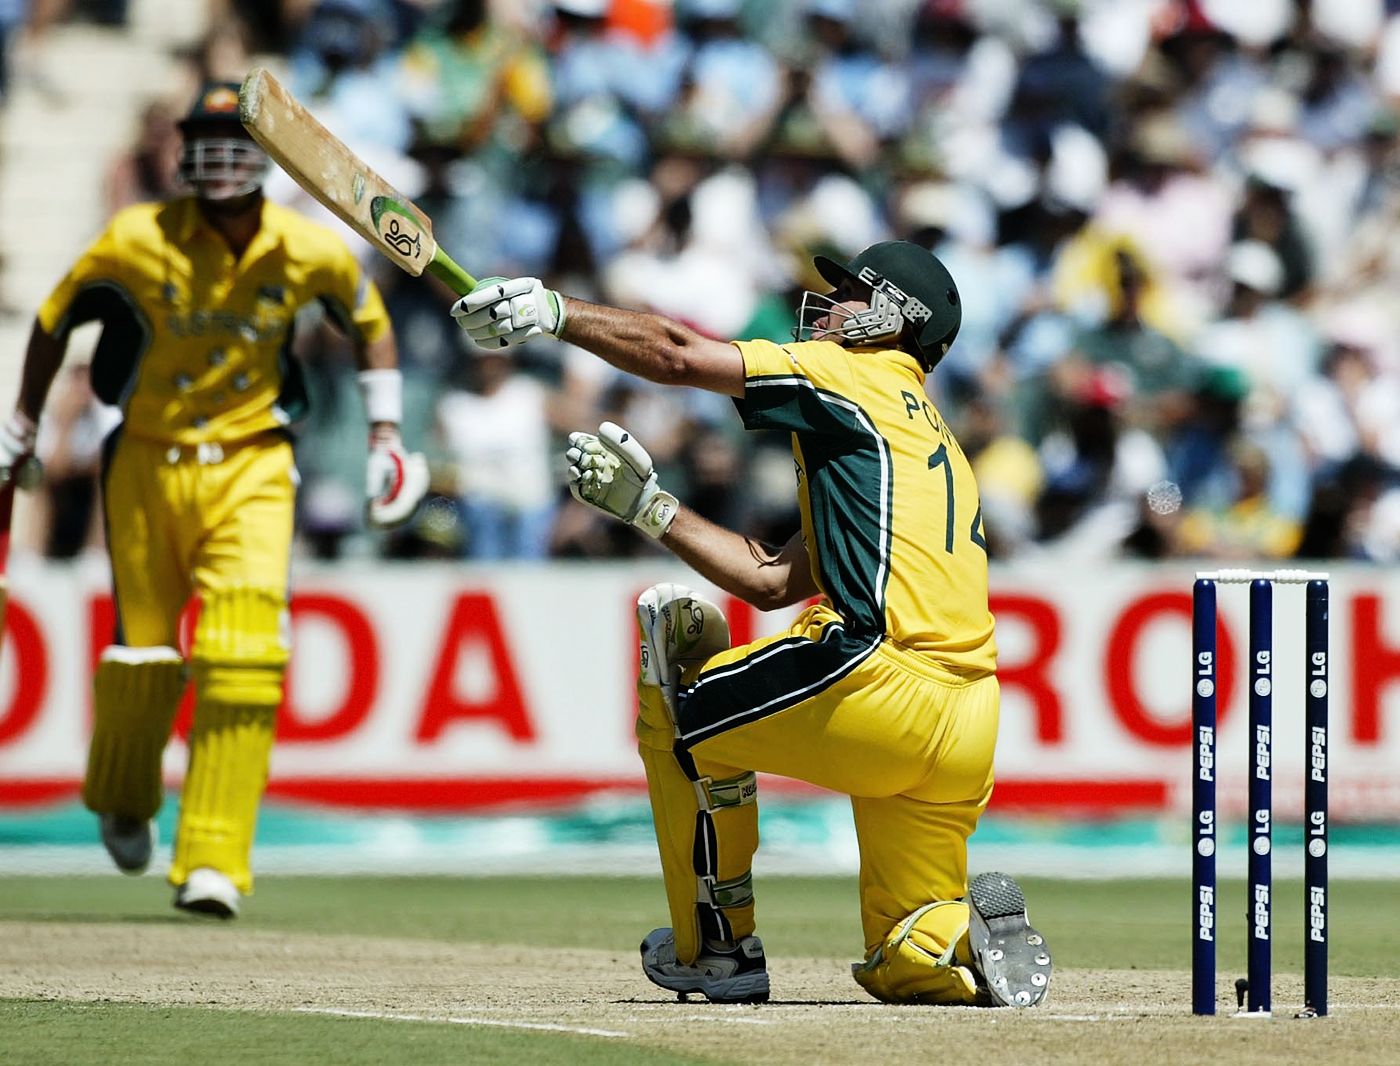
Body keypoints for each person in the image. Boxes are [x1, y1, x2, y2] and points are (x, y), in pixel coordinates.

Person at [451, 241, 1053, 1007]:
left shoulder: (853, 376)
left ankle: (717, 949)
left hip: (880, 678)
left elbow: (677, 357)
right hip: (970, 724)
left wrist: (554, 312)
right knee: (903, 952)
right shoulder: (932, 439)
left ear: (894, 318)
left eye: (848, 293)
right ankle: (963, 941)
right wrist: (651, 509)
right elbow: (772, 578)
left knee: (679, 705)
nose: (826, 304)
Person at [0, 81, 427, 918]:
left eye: (233, 138)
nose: (217, 154)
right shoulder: (135, 239)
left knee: (244, 656)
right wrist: (21, 423)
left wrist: (386, 433)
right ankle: (123, 798)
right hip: (147, 463)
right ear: (181, 153)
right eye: (201, 138)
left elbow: (371, 320)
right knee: (144, 657)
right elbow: (55, 321)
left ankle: (214, 860)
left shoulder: (307, 250)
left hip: (254, 464)